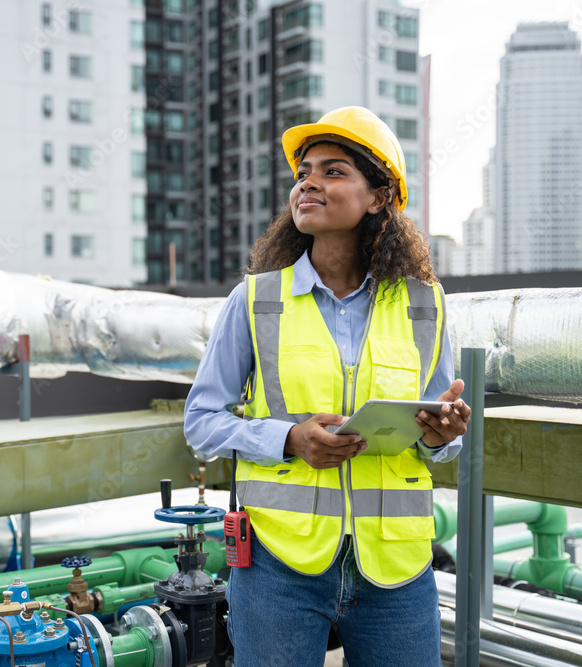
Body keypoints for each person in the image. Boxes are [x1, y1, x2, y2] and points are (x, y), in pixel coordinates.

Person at [183, 107, 472, 667]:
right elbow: (201, 421)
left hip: (396, 569)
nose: (309, 182)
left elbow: (441, 437)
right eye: (303, 173)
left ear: (380, 196)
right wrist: (290, 439)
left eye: (333, 171)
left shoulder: (423, 304)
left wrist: (443, 433)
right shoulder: (256, 299)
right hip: (278, 568)